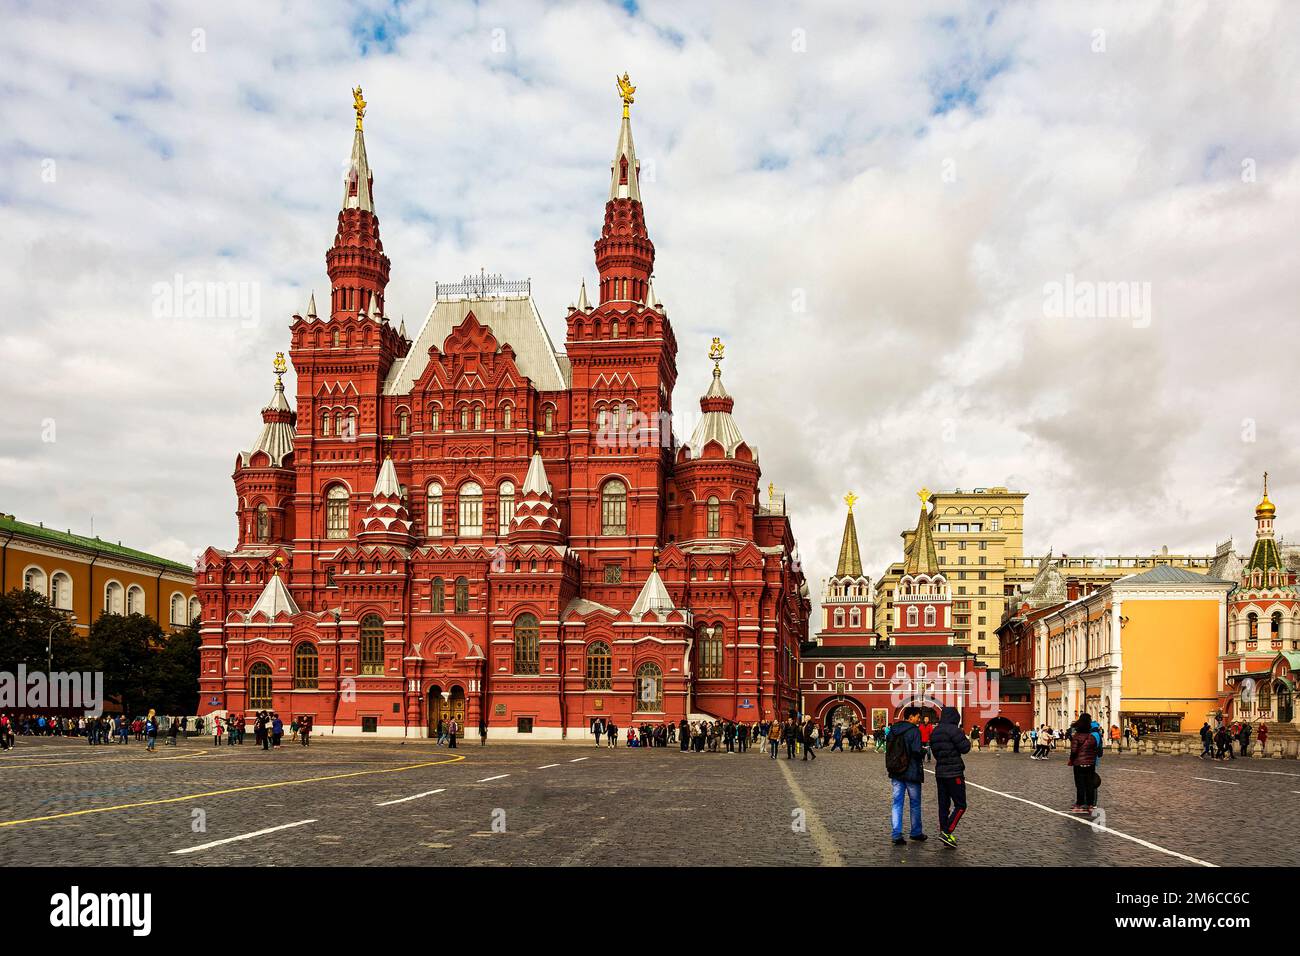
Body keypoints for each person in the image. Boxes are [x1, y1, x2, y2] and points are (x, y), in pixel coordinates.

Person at [929, 706, 971, 848]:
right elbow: (965, 748)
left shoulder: (935, 732)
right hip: (954, 773)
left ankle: (943, 830)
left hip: (940, 772)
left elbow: (934, 751)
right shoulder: (954, 730)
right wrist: (963, 735)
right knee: (960, 805)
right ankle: (947, 832)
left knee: (943, 804)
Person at [886, 707, 926, 845]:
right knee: (915, 803)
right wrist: (923, 752)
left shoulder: (893, 730)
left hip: (896, 771)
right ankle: (915, 832)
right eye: (917, 716)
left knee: (897, 803)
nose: (919, 719)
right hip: (911, 772)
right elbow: (916, 751)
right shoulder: (914, 731)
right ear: (911, 717)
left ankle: (896, 834)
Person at [1067, 712, 1099, 812]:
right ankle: (1090, 804)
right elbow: (1095, 750)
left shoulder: (1077, 736)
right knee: (1089, 784)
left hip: (1078, 763)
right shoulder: (1092, 737)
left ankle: (1079, 803)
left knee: (1080, 784)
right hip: (1090, 764)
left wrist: (1071, 760)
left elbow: (1074, 750)